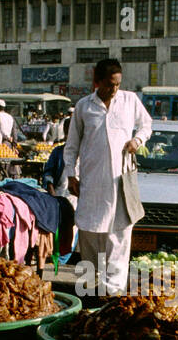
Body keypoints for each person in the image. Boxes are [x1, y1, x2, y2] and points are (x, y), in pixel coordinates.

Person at [62, 58, 152, 297]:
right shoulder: (83, 106)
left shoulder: (130, 100)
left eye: (118, 84)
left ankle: (113, 293)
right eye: (110, 84)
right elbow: (71, 146)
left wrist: (137, 140)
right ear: (97, 82)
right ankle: (90, 291)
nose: (114, 89)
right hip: (91, 182)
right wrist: (71, 174)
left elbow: (147, 125)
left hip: (121, 181)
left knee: (119, 235)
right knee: (90, 233)